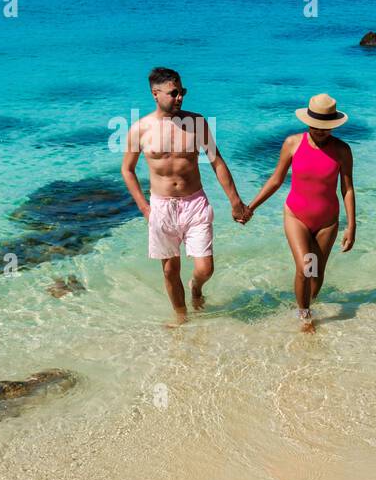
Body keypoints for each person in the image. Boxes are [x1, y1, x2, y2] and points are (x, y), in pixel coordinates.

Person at [121, 67, 249, 326]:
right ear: (155, 94)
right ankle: (181, 317)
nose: (180, 97)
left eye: (182, 92)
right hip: (161, 206)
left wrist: (235, 201)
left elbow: (217, 162)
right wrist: (145, 208)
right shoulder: (140, 129)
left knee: (205, 268)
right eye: (174, 93)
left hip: (195, 202)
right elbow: (127, 170)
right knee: (170, 269)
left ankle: (196, 287)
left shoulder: (196, 123)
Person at [243, 93, 355, 332]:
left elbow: (347, 188)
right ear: (308, 122)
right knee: (306, 267)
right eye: (316, 126)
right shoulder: (292, 143)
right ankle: (305, 316)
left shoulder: (342, 150)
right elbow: (275, 180)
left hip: (327, 222)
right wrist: (251, 207)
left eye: (326, 126)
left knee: (316, 275)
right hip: (296, 215)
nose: (321, 130)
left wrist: (351, 226)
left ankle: (309, 301)